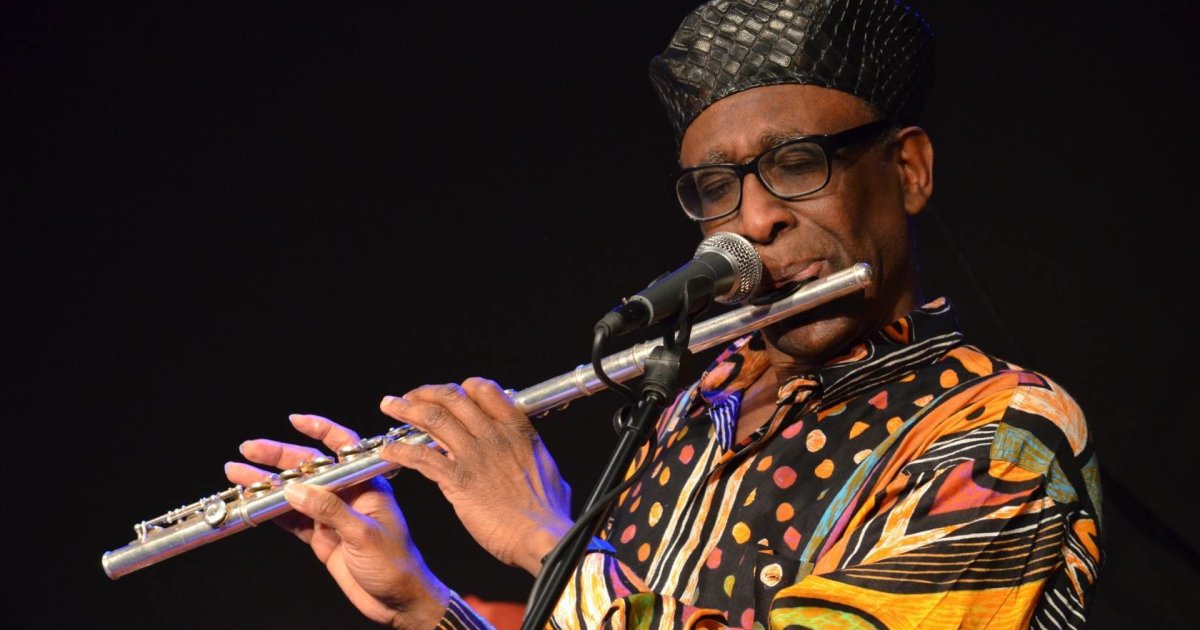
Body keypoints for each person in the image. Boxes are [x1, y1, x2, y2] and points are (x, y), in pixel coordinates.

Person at [225, 1, 1105, 628]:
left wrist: (545, 540)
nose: (755, 221)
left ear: (907, 170)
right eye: (719, 188)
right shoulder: (693, 402)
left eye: (799, 164)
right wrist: (427, 605)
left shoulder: (1004, 433)